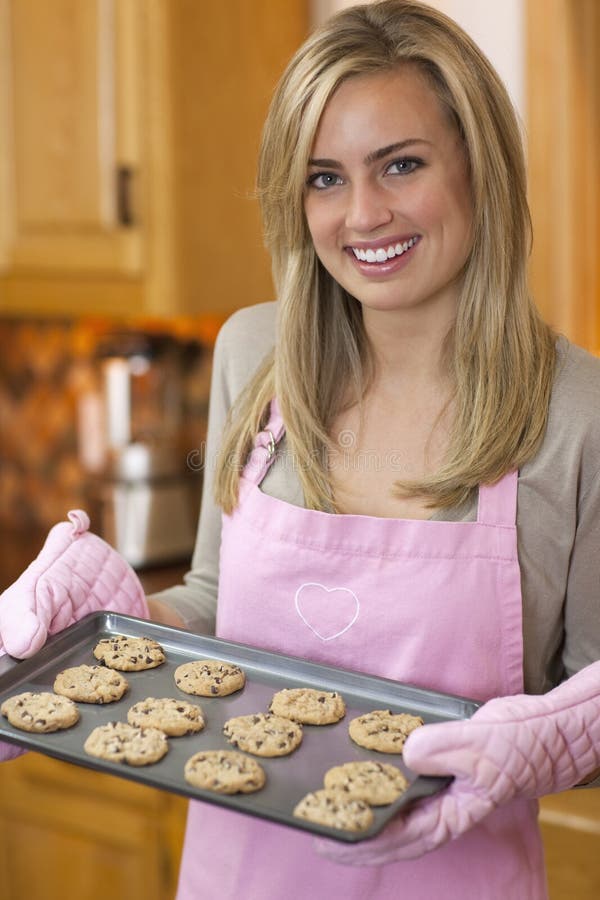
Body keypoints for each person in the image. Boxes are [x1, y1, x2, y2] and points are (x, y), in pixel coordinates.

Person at [1, 2, 598, 898]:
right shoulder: (253, 355)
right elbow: (214, 608)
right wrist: (97, 623)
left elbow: (585, 697)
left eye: (402, 164)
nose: (363, 214)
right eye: (325, 178)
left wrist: (551, 745)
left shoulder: (576, 411)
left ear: (481, 170)